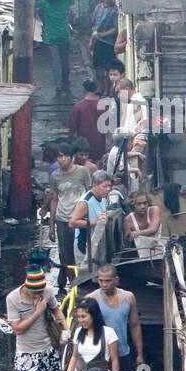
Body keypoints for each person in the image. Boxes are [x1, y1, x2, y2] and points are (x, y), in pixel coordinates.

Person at [6, 267, 67, 371]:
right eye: (34, 292)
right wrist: (38, 312)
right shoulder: (13, 298)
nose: (37, 295)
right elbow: (17, 329)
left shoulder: (47, 292)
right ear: (27, 286)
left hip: (47, 349)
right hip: (26, 353)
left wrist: (65, 327)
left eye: (40, 291)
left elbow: (56, 309)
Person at [46, 143, 91, 294]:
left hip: (79, 218)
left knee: (81, 251)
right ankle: (73, 286)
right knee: (65, 253)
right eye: (59, 156)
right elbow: (54, 199)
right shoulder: (55, 176)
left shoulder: (83, 172)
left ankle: (78, 281)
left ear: (72, 158)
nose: (62, 159)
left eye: (65, 156)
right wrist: (52, 225)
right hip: (62, 219)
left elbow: (89, 193)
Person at [88, 264, 144, 371]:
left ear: (116, 280)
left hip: (122, 351)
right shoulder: (92, 299)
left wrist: (140, 354)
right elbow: (85, 328)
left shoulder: (128, 297)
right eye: (101, 281)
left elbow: (135, 326)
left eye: (108, 281)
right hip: (101, 355)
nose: (104, 284)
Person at [63, 298, 119, 371]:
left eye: (83, 316)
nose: (80, 320)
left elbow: (114, 360)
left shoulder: (109, 332)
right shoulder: (78, 332)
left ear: (93, 315)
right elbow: (75, 356)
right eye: (78, 317)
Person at [69, 171, 114, 271]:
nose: (108, 189)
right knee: (85, 274)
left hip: (96, 244)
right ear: (94, 185)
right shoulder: (86, 202)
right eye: (104, 186)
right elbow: (73, 222)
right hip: (84, 244)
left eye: (109, 186)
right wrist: (94, 221)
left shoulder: (103, 199)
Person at [37, 0, 76, 95]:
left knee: (56, 61)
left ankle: (58, 85)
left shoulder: (46, 4)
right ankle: (66, 81)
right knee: (65, 60)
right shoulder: (64, 2)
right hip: (64, 35)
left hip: (51, 37)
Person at [68, 79, 108, 160]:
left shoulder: (78, 106)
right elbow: (107, 126)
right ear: (95, 89)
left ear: (84, 89)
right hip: (99, 143)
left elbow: (72, 127)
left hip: (83, 145)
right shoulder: (103, 105)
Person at [90, 0, 119, 94]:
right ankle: (101, 86)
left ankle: (107, 89)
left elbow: (115, 29)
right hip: (97, 41)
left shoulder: (115, 10)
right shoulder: (98, 7)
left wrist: (103, 35)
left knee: (108, 68)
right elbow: (94, 25)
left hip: (109, 43)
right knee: (97, 65)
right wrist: (91, 40)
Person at [123, 191, 163, 257]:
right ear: (133, 205)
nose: (143, 206)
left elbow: (153, 229)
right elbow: (128, 241)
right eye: (139, 204)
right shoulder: (128, 220)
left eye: (145, 203)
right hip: (139, 254)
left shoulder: (154, 210)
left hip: (158, 250)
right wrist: (130, 236)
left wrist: (137, 233)